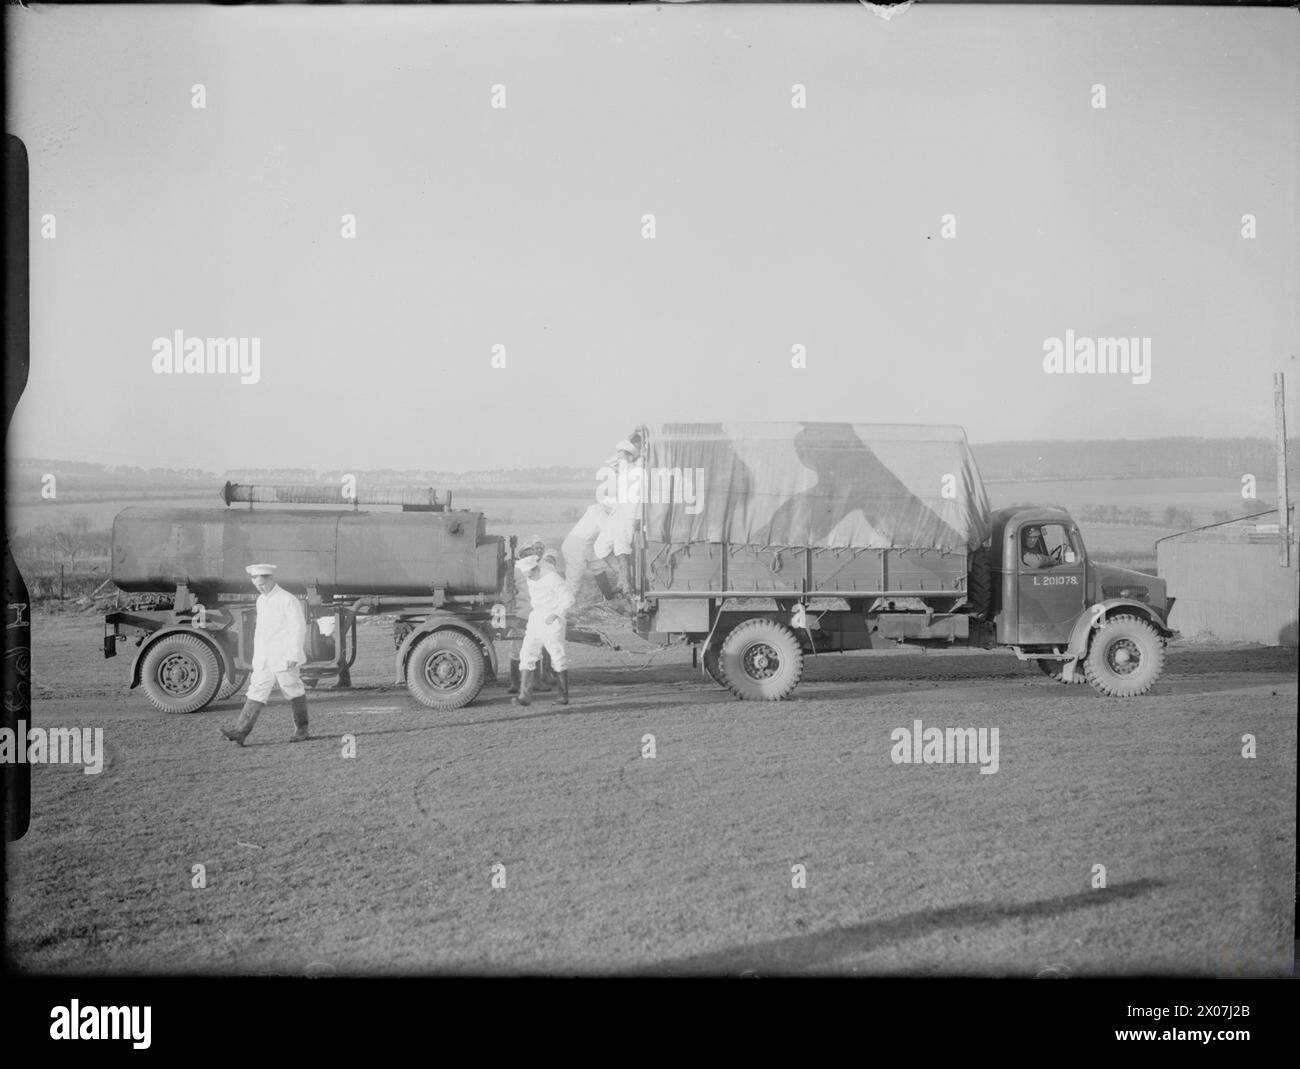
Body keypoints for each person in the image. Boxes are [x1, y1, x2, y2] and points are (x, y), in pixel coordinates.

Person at [221, 563, 310, 746]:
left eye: (262, 584)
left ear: (271, 579)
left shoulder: (287, 599)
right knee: (256, 691)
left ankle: (302, 729)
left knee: (293, 690)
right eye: (256, 585)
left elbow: (298, 628)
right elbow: (261, 632)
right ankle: (240, 732)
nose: (260, 588)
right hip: (264, 658)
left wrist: (293, 654)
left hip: (284, 657)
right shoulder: (261, 600)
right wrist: (257, 657)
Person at [512, 554, 574, 707]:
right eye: (526, 575)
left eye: (529, 574)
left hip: (552, 619)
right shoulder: (530, 578)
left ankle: (562, 696)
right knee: (526, 653)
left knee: (557, 655)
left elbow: (568, 599)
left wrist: (556, 614)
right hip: (536, 617)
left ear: (536, 569)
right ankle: (524, 696)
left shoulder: (552, 578)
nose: (528, 577)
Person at [593, 438, 641, 599]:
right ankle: (622, 578)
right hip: (619, 514)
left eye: (620, 458)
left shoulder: (637, 471)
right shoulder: (623, 473)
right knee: (600, 546)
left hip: (630, 515)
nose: (617, 464)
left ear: (628, 457)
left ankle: (627, 585)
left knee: (621, 545)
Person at [506, 537, 555, 694]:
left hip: (521, 614)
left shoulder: (515, 570)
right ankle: (533, 683)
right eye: (528, 553)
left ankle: (517, 683)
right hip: (528, 614)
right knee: (532, 648)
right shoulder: (534, 571)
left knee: (519, 649)